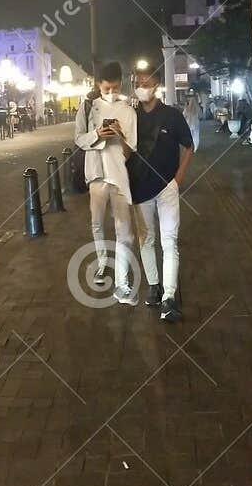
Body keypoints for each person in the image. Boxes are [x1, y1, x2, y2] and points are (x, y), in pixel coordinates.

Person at [128, 65, 194, 323]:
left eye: (145, 83)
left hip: (167, 187)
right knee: (146, 240)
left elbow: (189, 146)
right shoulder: (131, 117)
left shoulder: (172, 115)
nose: (141, 88)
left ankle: (169, 296)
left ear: (156, 86)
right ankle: (154, 286)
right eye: (137, 84)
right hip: (139, 187)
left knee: (169, 241)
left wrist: (179, 177)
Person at [76, 62, 138, 304]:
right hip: (96, 176)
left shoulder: (128, 111)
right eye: (106, 88)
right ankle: (102, 263)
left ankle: (122, 283)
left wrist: (120, 136)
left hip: (120, 178)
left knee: (125, 233)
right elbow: (79, 139)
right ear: (99, 85)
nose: (111, 92)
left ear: (120, 84)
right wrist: (97, 134)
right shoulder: (88, 107)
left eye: (115, 88)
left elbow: (130, 151)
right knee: (97, 224)